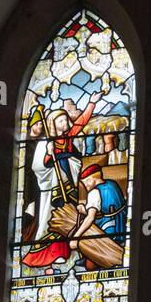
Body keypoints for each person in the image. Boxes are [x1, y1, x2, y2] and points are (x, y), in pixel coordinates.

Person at [23, 98, 96, 269]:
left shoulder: (69, 139)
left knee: (68, 217)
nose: (65, 123)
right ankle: (48, 253)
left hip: (68, 186)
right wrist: (49, 155)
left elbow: (81, 123)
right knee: (50, 218)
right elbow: (37, 166)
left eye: (65, 119)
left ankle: (65, 251)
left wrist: (91, 104)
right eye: (61, 121)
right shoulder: (46, 142)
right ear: (53, 124)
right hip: (51, 189)